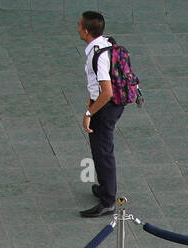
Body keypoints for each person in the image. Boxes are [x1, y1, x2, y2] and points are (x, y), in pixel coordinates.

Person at [77, 10, 124, 218]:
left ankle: (108, 201)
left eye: (79, 25)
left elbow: (107, 91)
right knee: (99, 148)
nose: (77, 28)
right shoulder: (105, 43)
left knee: (102, 151)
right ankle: (105, 188)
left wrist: (89, 112)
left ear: (86, 31)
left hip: (107, 106)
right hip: (106, 102)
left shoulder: (97, 56)